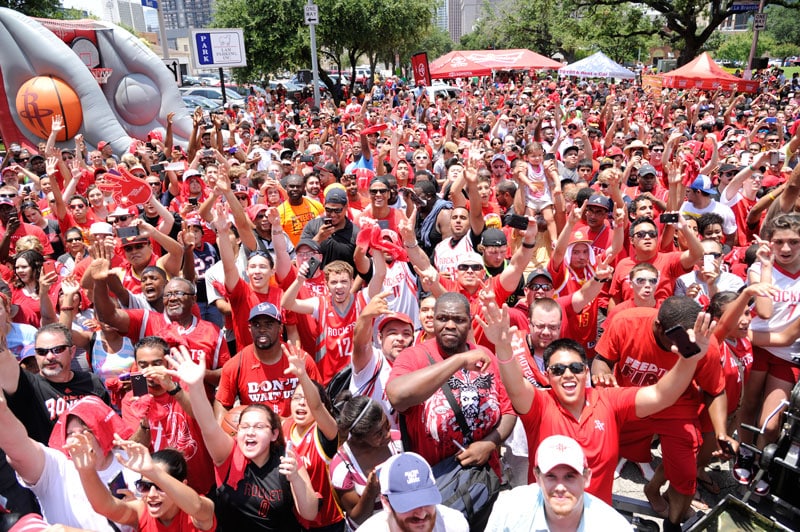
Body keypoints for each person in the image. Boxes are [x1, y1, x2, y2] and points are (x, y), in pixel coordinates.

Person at [591, 297, 734, 530]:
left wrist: (721, 432)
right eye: (676, 339)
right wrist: (602, 373)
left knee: (686, 474)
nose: (683, 347)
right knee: (597, 459)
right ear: (658, 326)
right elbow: (601, 360)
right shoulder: (626, 322)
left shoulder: (701, 343)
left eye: (688, 341)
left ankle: (672, 523)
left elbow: (715, 390)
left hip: (677, 407)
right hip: (631, 400)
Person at [165, 345, 319, 531]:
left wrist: (295, 478)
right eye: (244, 427)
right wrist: (196, 386)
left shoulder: (287, 459)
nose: (250, 431)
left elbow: (310, 513)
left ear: (274, 434)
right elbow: (208, 426)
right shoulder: (228, 456)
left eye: (259, 426)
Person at [386, 292, 516, 496]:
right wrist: (459, 361)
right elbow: (397, 396)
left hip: (484, 484)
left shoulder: (486, 356)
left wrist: (489, 444)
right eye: (442, 318)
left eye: (459, 320)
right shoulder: (414, 356)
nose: (450, 325)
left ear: (470, 322)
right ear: (433, 320)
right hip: (437, 486)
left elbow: (508, 411)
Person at [0, 395, 135, 531]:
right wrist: (2, 412)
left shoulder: (130, 463)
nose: (77, 439)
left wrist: (135, 513)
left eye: (85, 431)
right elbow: (18, 449)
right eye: (70, 433)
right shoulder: (55, 466)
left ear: (103, 432)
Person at [120, 336, 215, 495]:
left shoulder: (186, 383)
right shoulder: (132, 399)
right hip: (161, 490)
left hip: (201, 482)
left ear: (168, 364)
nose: (150, 370)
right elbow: (136, 448)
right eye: (143, 365)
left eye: (157, 364)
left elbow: (202, 415)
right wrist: (144, 420)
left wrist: (172, 387)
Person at [485, 435, 632, 532]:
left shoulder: (614, 526)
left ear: (586, 478)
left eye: (569, 476)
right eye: (551, 476)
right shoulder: (509, 509)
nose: (560, 487)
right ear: (537, 477)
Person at [69, 438, 216, 531]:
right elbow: (106, 506)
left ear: (182, 485)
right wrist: (86, 470)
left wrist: (153, 472)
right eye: (145, 486)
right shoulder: (141, 511)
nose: (151, 494)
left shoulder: (197, 513)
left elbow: (198, 506)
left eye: (160, 486)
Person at [0, 323, 109, 443]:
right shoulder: (28, 385)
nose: (50, 356)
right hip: (47, 460)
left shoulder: (91, 381)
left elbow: (107, 426)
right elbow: (5, 363)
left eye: (58, 350)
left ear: (72, 352)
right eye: (42, 352)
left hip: (90, 457)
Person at [330, 395, 401, 529]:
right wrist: (370, 492)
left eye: (387, 424)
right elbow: (358, 518)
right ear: (359, 438)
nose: (388, 434)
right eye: (379, 433)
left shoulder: (398, 442)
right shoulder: (342, 467)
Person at [356, 452, 468, 532]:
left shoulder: (455, 524)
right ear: (386, 503)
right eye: (408, 505)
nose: (421, 514)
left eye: (426, 501)